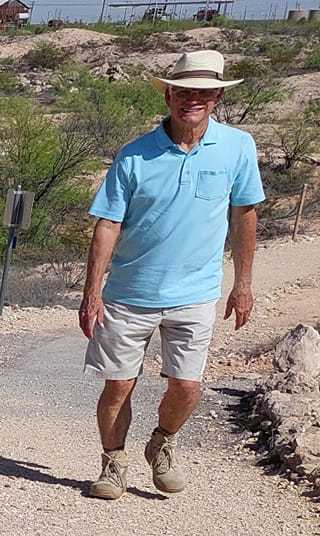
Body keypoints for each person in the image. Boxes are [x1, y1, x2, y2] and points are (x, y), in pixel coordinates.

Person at [79, 49, 264, 500]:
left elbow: (245, 216)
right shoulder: (135, 155)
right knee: (119, 383)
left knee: (187, 385)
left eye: (202, 92)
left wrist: (242, 285)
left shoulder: (238, 146)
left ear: (217, 95)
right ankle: (113, 462)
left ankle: (161, 442)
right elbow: (107, 223)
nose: (191, 100)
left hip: (196, 292)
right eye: (182, 91)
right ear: (169, 96)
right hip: (128, 291)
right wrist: (92, 291)